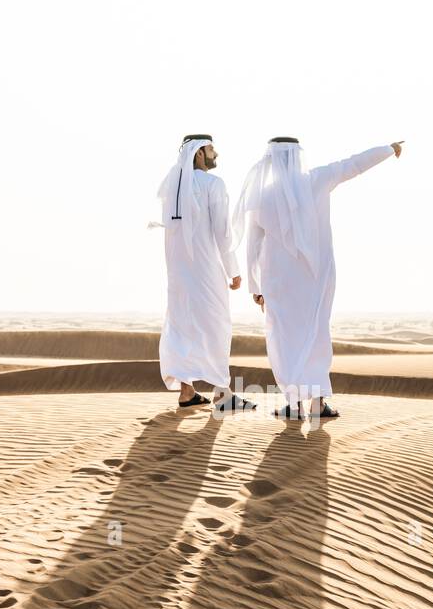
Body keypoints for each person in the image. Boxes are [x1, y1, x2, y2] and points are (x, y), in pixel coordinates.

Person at [235, 137, 402, 418]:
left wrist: (256, 286)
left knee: (283, 338)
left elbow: (253, 245)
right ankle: (316, 402)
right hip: (315, 276)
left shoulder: (262, 196)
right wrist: (388, 150)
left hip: (278, 280)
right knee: (315, 334)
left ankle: (293, 403)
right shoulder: (318, 179)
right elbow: (353, 165)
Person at [155, 134, 255, 413]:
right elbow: (223, 232)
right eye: (211, 149)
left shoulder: (171, 186)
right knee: (217, 325)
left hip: (177, 274)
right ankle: (222, 394)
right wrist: (233, 269)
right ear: (199, 153)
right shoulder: (213, 184)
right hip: (206, 271)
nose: (216, 154)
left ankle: (187, 391)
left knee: (180, 326)